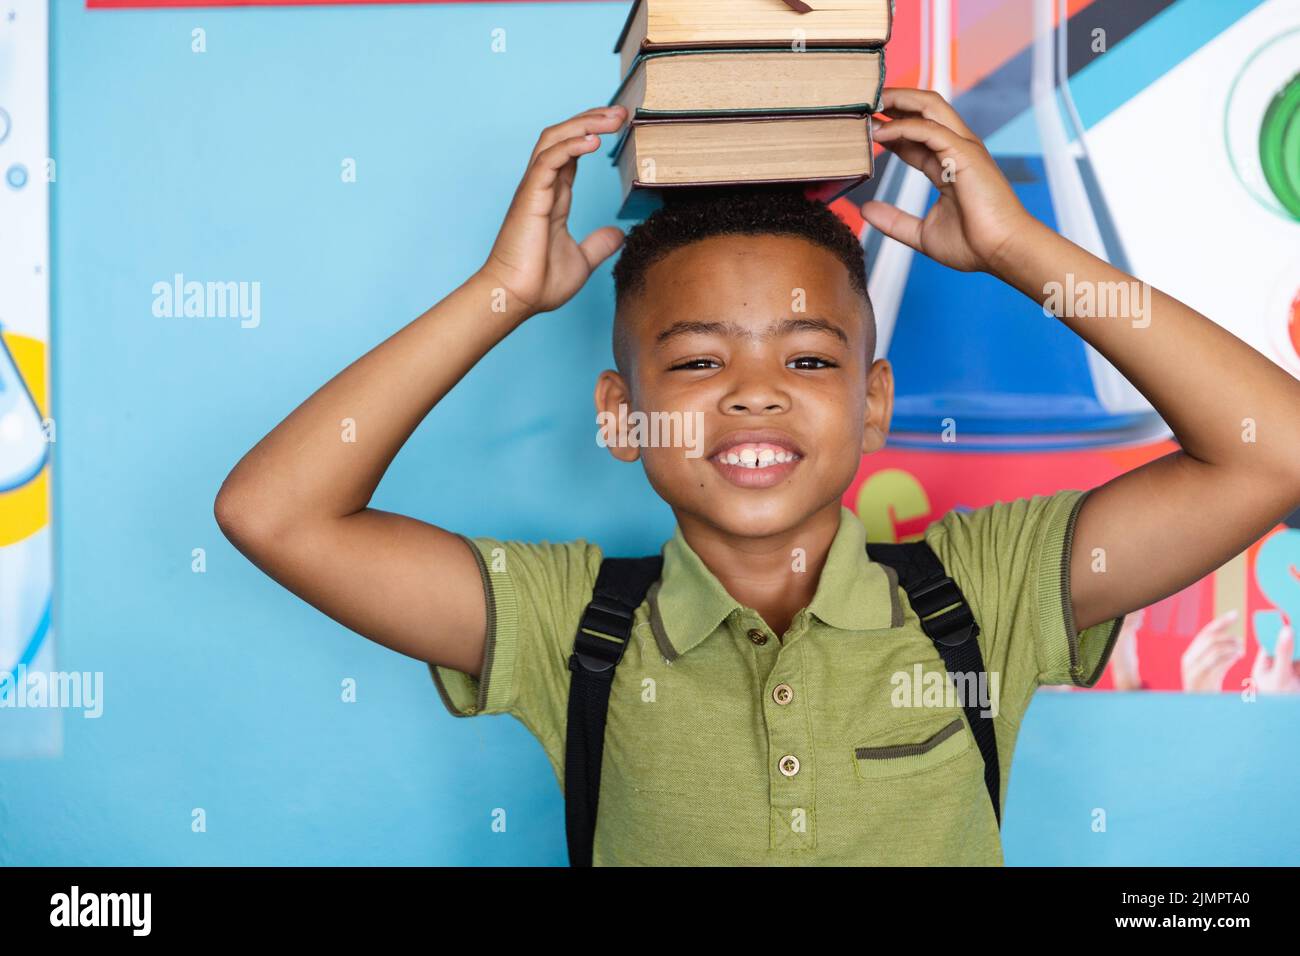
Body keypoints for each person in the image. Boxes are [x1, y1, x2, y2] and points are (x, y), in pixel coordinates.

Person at [213, 90, 1300, 864]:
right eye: (694, 360)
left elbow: (1275, 449)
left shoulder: (985, 593)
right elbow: (272, 511)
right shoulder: (567, 624)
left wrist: (1021, 246)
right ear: (620, 416)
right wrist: (503, 292)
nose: (752, 392)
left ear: (873, 401)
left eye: (808, 358)